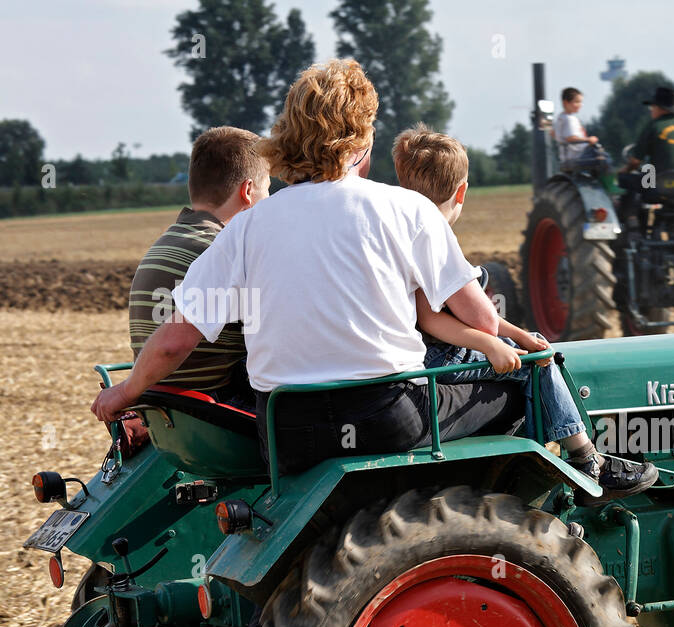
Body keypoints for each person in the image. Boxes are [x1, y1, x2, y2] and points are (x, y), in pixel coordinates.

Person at [91, 60, 524, 478]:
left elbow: (173, 341)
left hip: (285, 434)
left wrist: (126, 392)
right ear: (361, 143)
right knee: (521, 394)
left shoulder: (245, 228)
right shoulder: (409, 209)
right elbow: (483, 320)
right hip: (386, 418)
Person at [391, 124, 657, 502]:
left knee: (530, 348)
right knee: (540, 361)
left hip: (427, 350)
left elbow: (441, 314)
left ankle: (554, 463)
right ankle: (586, 461)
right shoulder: (432, 230)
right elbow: (461, 319)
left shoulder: (400, 227)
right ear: (461, 192)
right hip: (435, 356)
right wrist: (497, 342)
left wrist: (515, 336)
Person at [127, 126, 269, 408]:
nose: (269, 199)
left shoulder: (165, 243)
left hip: (157, 402)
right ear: (248, 191)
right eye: (267, 188)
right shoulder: (223, 253)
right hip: (210, 407)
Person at [617, 85, 674, 216]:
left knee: (624, 180)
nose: (651, 111)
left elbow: (635, 162)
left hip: (658, 185)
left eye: (652, 107)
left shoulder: (654, 126)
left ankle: (630, 221)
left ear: (659, 108)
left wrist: (624, 171)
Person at [552, 87, 607, 172]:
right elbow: (570, 138)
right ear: (566, 103)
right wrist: (589, 139)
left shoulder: (560, 118)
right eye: (577, 102)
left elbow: (553, 134)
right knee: (605, 159)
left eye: (580, 102)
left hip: (566, 157)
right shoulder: (569, 119)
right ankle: (608, 184)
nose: (580, 105)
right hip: (578, 156)